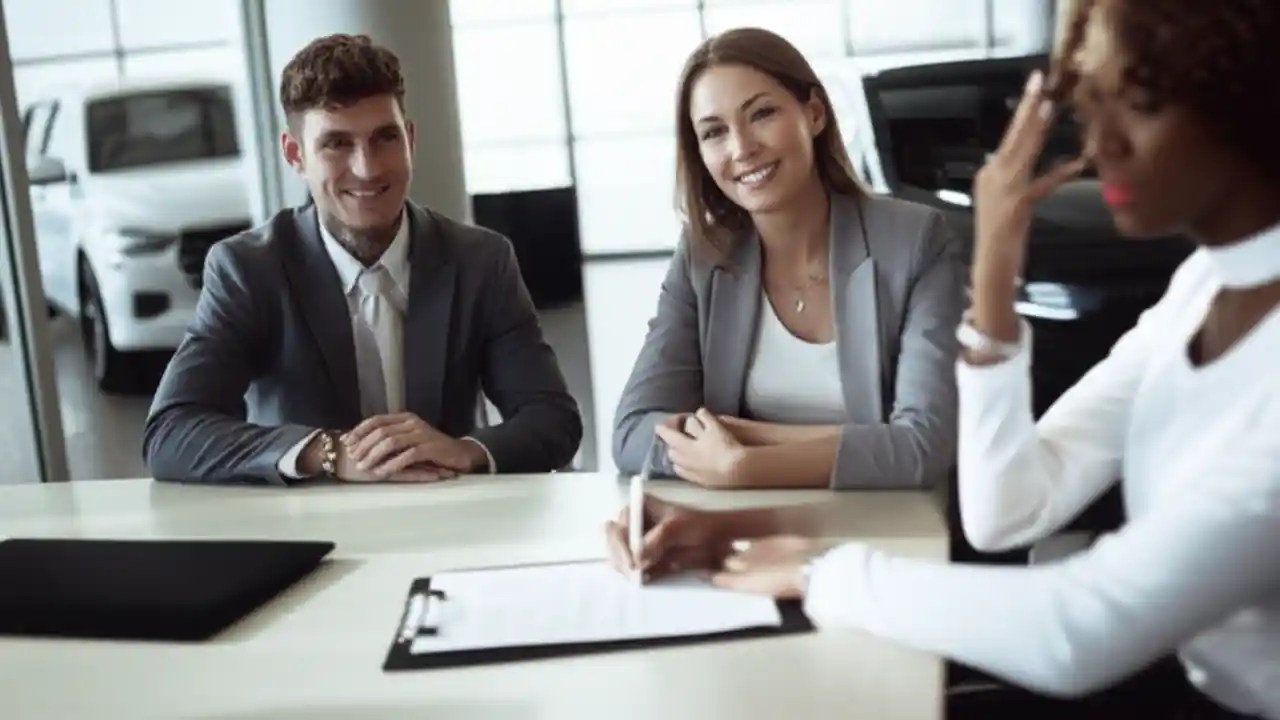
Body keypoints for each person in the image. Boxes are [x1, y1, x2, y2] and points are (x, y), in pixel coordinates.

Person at [611, 1, 1280, 717]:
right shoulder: (1201, 288)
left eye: (1136, 103)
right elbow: (1006, 512)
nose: (1096, 144)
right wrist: (994, 271)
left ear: (1242, 102)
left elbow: (1078, 629)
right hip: (1190, 679)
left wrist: (814, 566)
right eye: (1090, 105)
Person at [144, 34, 582, 485]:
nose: (368, 168)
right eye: (337, 144)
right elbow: (171, 433)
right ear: (296, 155)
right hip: (311, 529)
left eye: (385, 138)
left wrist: (462, 451)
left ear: (409, 139)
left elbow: (552, 419)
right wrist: (329, 451)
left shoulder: (481, 260)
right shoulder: (249, 270)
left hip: (446, 520)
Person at [611, 28, 963, 490]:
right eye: (714, 132)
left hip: (883, 527)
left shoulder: (914, 240)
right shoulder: (704, 256)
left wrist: (744, 460)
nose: (741, 149)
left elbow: (925, 445)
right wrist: (852, 444)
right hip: (745, 529)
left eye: (761, 114)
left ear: (814, 113)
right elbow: (633, 431)